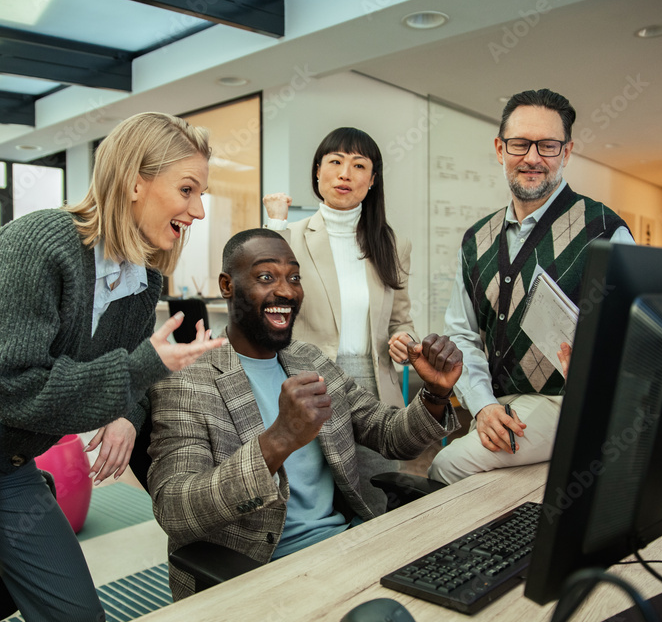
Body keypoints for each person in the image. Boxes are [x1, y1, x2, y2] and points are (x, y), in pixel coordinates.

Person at [0, 112, 224, 622]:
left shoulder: (141, 282)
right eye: (187, 190)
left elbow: (128, 372)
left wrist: (127, 416)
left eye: (201, 194)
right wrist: (142, 371)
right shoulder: (41, 244)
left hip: (6, 468)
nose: (198, 211)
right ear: (135, 181)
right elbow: (14, 388)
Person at [147, 229, 462, 600]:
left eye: (294, 277)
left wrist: (436, 393)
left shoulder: (309, 360)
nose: (286, 291)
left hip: (349, 546)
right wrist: (278, 440)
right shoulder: (186, 381)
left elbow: (391, 435)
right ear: (227, 285)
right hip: (265, 574)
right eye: (267, 277)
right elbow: (176, 509)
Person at [429, 89, 634, 485]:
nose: (533, 158)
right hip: (499, 402)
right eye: (520, 144)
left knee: (446, 466)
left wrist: (597, 363)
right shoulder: (475, 240)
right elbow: (462, 334)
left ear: (566, 152)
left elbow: (636, 340)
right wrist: (483, 406)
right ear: (500, 149)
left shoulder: (606, 231)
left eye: (548, 146)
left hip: (566, 404)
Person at [263, 127, 418, 512]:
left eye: (358, 165)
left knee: (376, 500)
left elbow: (401, 320)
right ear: (318, 171)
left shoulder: (393, 244)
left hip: (373, 388)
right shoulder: (290, 236)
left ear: (373, 179)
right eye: (335, 162)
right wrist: (275, 226)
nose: (345, 174)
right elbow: (265, 299)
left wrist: (405, 341)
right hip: (308, 384)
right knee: (313, 504)